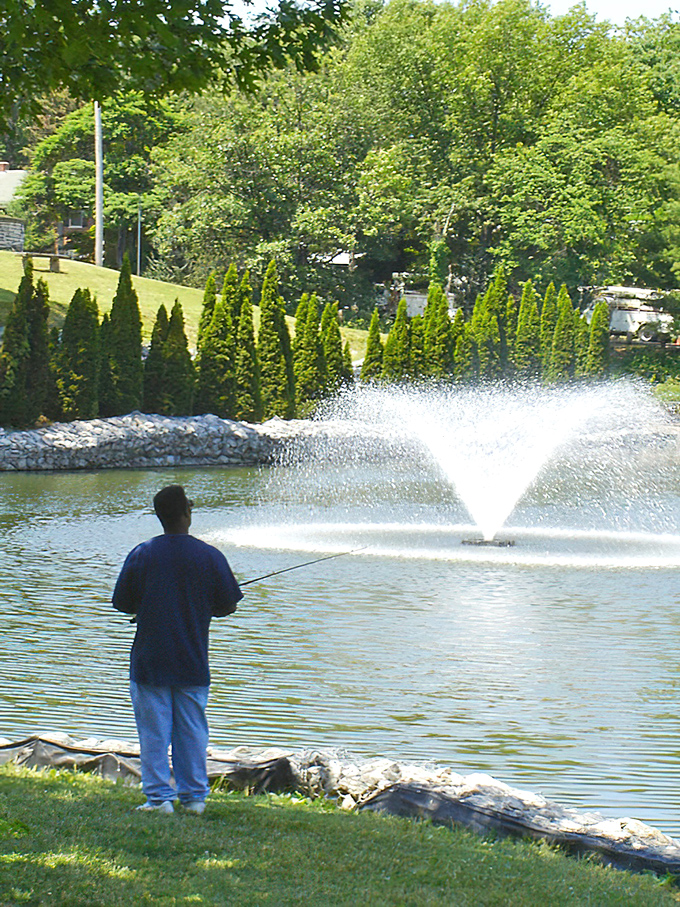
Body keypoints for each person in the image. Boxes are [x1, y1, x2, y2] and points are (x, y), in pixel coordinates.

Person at [113, 484, 243, 814]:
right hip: (192, 660)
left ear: (160, 517)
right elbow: (228, 605)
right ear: (187, 513)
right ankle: (194, 797)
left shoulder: (142, 553)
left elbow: (122, 602)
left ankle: (159, 799)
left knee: (154, 732)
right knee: (192, 732)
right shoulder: (210, 555)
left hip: (150, 660)